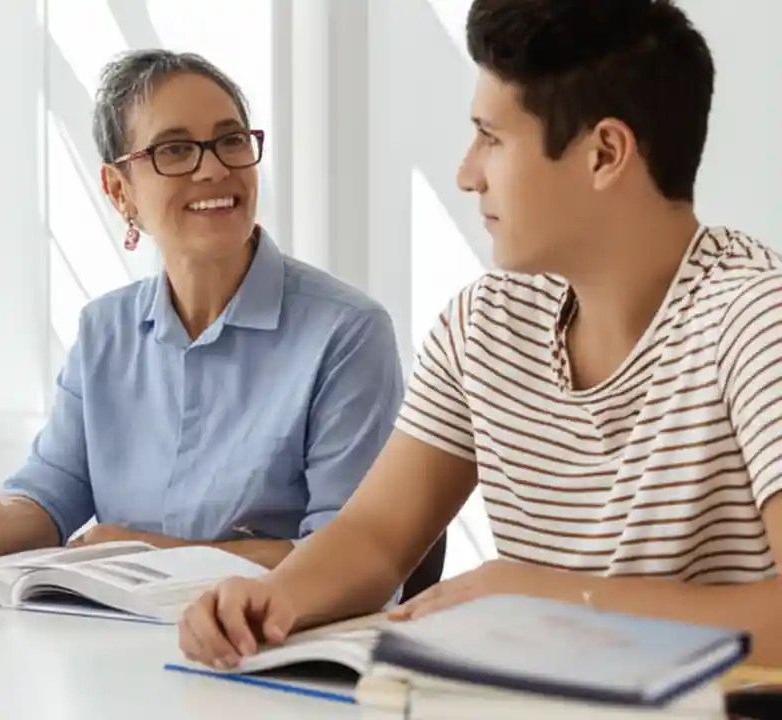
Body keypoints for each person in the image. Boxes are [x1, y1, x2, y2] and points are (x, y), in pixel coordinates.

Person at [179, 0, 782, 669]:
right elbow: (377, 535)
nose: (467, 174)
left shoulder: (756, 320)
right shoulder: (486, 322)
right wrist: (271, 597)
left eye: (491, 138)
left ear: (604, 153)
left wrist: (548, 600)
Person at [0, 50, 403, 569]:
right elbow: (51, 493)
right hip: (112, 635)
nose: (214, 168)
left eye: (230, 141)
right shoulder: (103, 330)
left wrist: (148, 553)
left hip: (270, 643)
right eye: (174, 150)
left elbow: (351, 561)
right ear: (118, 191)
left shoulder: (348, 332)